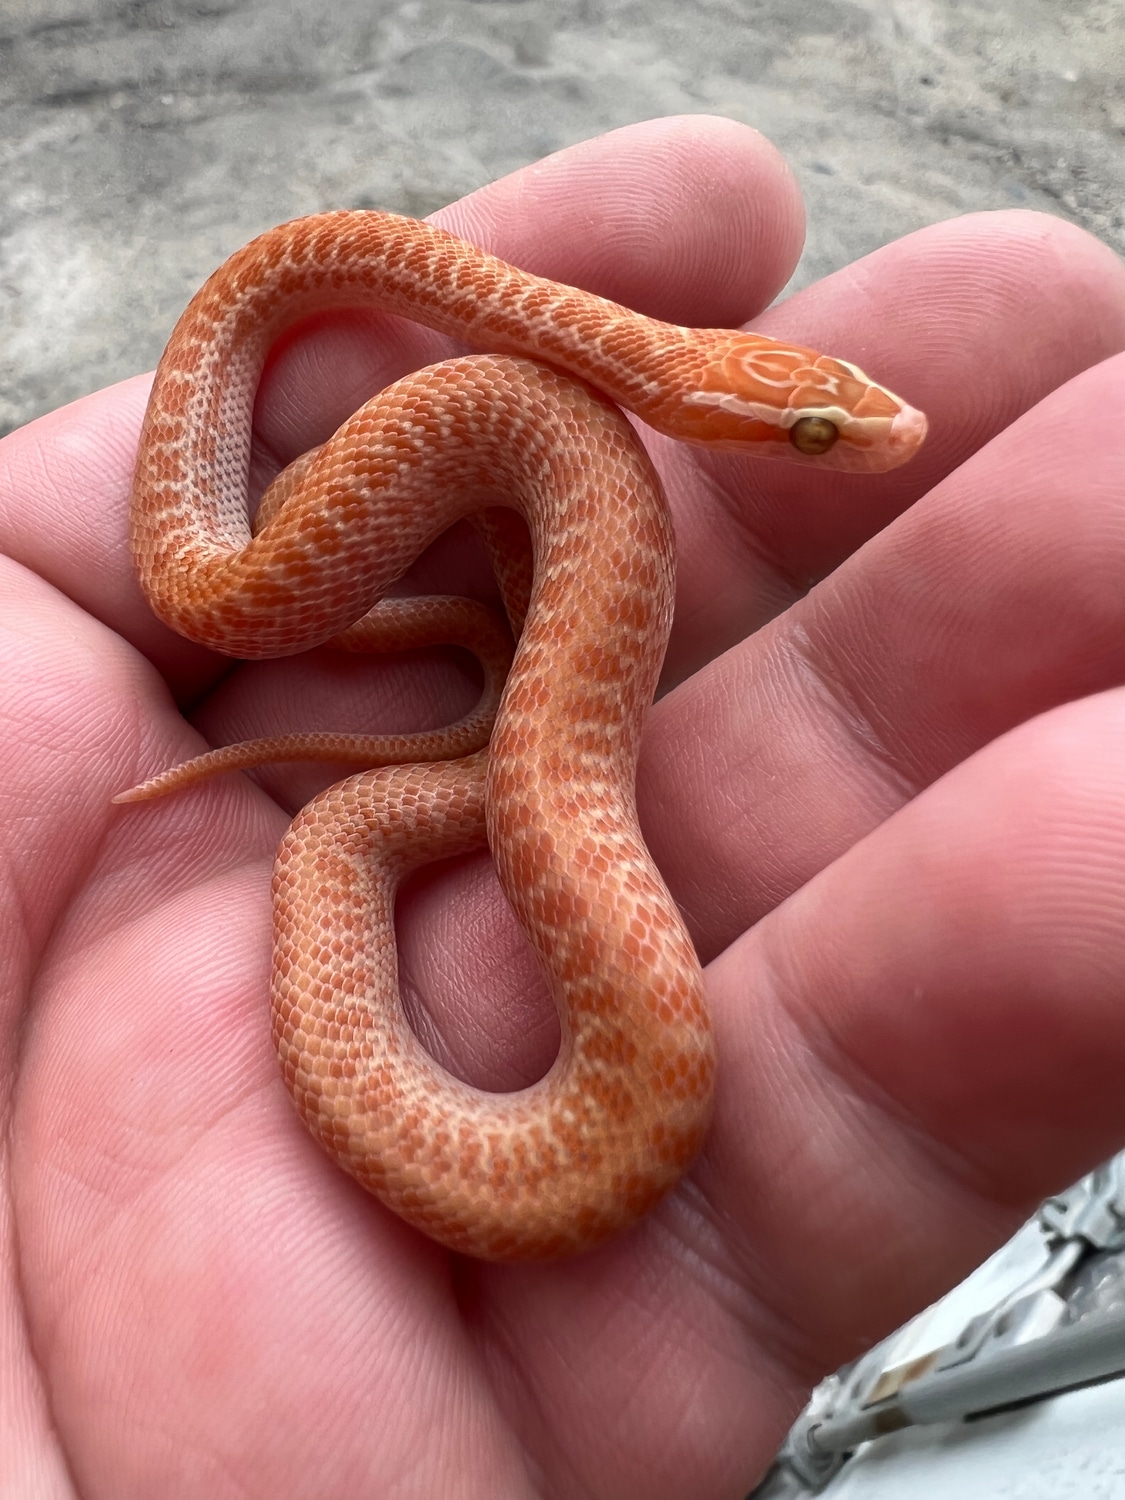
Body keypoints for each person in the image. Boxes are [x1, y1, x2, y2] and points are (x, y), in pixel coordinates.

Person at [3, 113, 1125, 1499]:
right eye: (818, 431)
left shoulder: (571, 409)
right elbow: (215, 574)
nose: (858, 437)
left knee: (394, 767)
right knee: (242, 599)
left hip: (519, 520)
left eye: (821, 414)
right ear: (698, 398)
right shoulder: (510, 393)